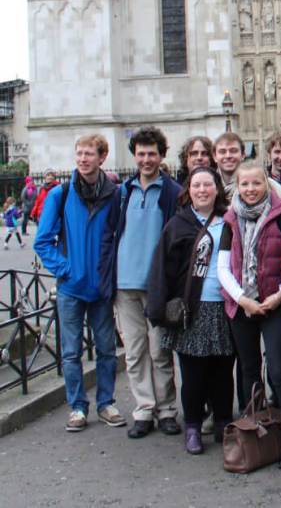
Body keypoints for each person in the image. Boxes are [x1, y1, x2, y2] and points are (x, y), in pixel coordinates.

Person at [217, 160, 281, 468]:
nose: (251, 189)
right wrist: (243, 300)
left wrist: (279, 295)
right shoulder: (230, 220)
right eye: (245, 184)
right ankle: (252, 433)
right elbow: (223, 268)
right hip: (243, 305)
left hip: (276, 304)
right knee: (249, 372)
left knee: (280, 371)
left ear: (266, 185)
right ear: (237, 187)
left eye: (257, 183)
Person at [34, 134, 125, 432]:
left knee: (107, 350)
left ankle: (106, 403)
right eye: (80, 153)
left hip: (100, 287)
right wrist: (66, 270)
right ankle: (76, 406)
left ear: (102, 157)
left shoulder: (115, 194)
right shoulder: (59, 194)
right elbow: (43, 241)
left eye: (89, 154)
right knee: (71, 352)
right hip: (71, 289)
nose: (83, 159)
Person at [101, 126, 181, 439]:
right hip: (125, 285)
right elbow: (110, 235)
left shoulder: (172, 192)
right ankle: (144, 409)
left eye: (152, 154)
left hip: (157, 286)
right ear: (134, 156)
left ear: (162, 156)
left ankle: (167, 410)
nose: (146, 159)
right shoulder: (122, 192)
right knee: (134, 353)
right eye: (141, 154)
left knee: (160, 351)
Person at [147, 167, 234, 455]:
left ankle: (223, 421)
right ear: (189, 190)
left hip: (223, 307)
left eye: (207, 185)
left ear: (216, 189)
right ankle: (194, 426)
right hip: (191, 311)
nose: (202, 190)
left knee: (223, 372)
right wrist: (158, 309)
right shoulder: (177, 224)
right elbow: (162, 268)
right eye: (196, 185)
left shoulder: (230, 221)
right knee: (193, 376)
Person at [213, 131, 245, 200]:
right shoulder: (206, 184)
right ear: (215, 157)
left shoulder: (259, 182)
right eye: (222, 152)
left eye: (233, 151)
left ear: (243, 155)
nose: (228, 156)